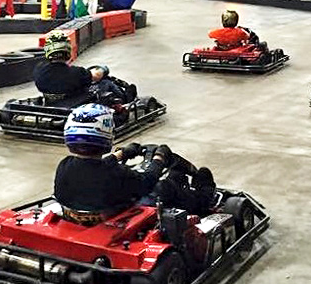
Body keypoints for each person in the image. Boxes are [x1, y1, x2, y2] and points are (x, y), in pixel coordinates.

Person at [54, 103, 216, 217]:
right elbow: (148, 181)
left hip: (77, 215)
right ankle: (204, 198)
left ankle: (180, 181)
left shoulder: (65, 165)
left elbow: (95, 168)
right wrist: (159, 158)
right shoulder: (117, 174)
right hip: (116, 216)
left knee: (174, 177)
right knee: (165, 186)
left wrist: (122, 154)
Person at [33, 31, 119, 106]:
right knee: (106, 83)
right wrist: (103, 69)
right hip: (74, 105)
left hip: (50, 103)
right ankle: (125, 104)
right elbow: (96, 75)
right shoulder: (77, 73)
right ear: (68, 50)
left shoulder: (39, 69)